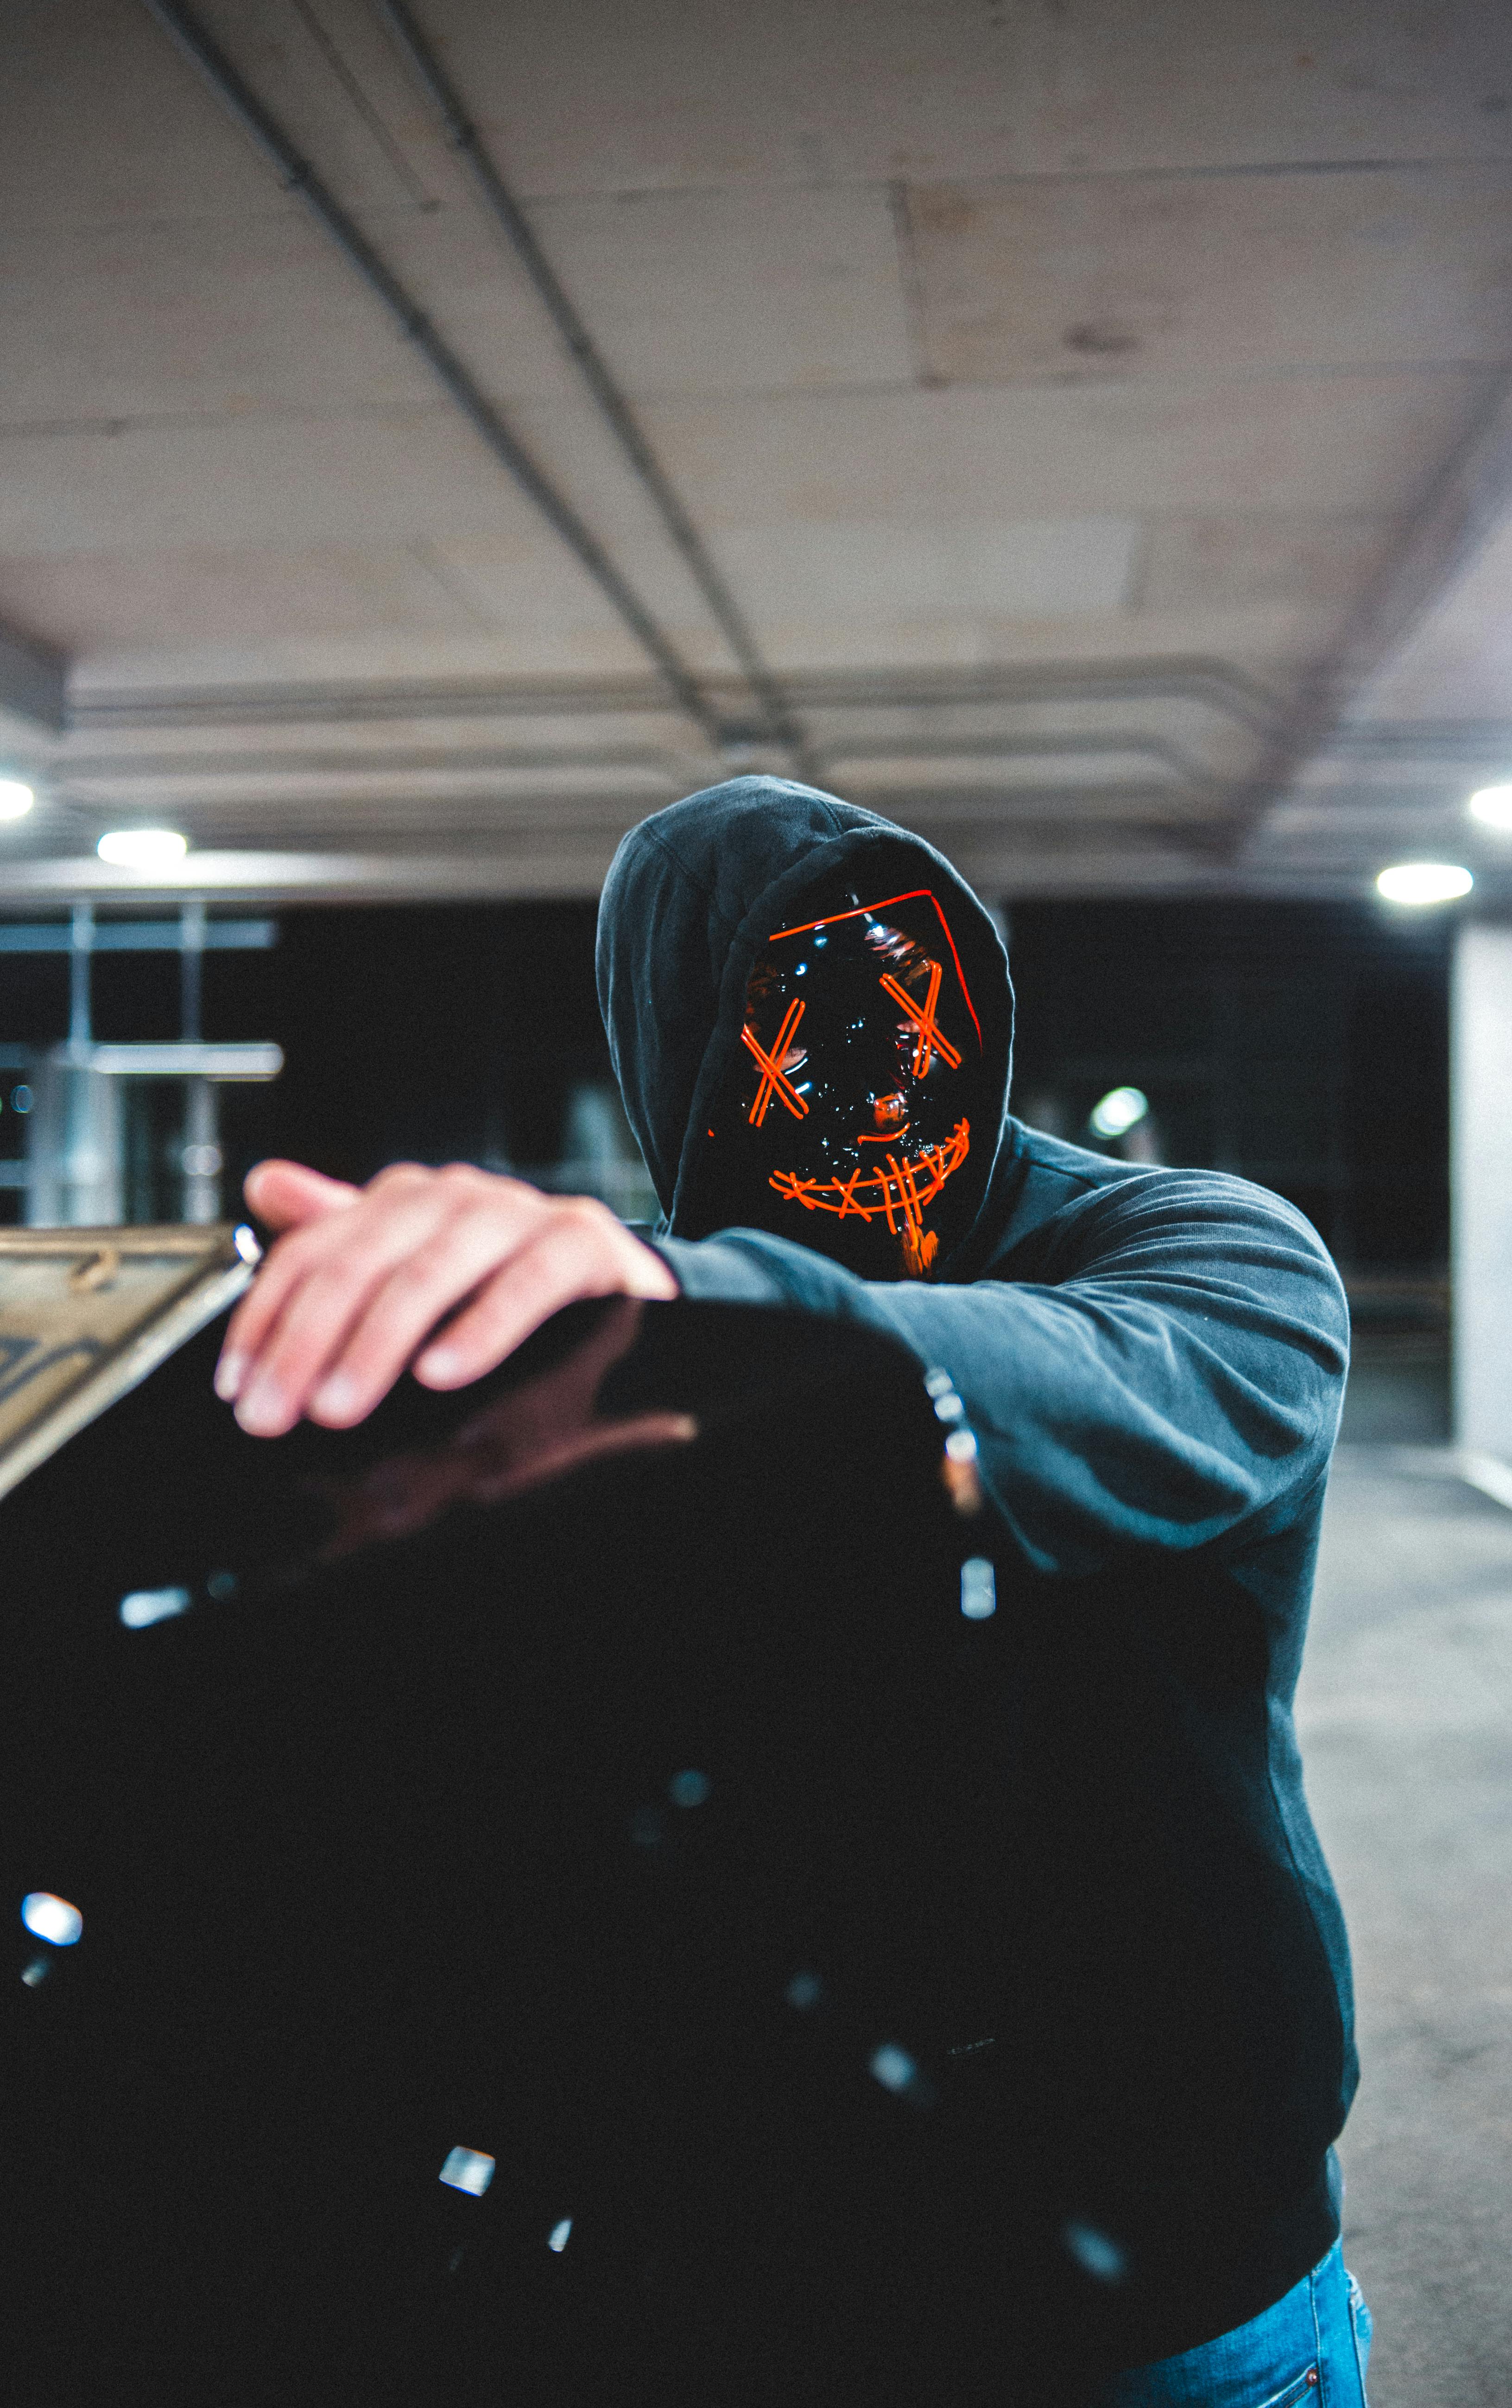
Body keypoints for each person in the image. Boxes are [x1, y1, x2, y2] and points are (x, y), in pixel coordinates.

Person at [216, 776, 1372, 2403]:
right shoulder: (621, 1309)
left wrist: (684, 1305)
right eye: (801, 1026)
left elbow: (1095, 1387)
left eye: (902, 1005)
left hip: (1178, 2234)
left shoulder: (1196, 1252)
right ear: (693, 1050)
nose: (877, 1083)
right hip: (778, 2237)